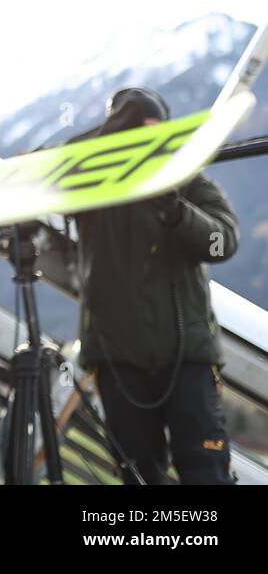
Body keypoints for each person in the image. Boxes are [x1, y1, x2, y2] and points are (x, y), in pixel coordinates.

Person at [72, 87, 238, 484]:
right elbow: (43, 173)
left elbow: (223, 242)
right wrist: (108, 143)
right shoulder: (92, 178)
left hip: (189, 359)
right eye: (133, 128)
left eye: (152, 130)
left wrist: (177, 212)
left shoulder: (188, 179)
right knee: (138, 475)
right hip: (118, 361)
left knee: (207, 471)